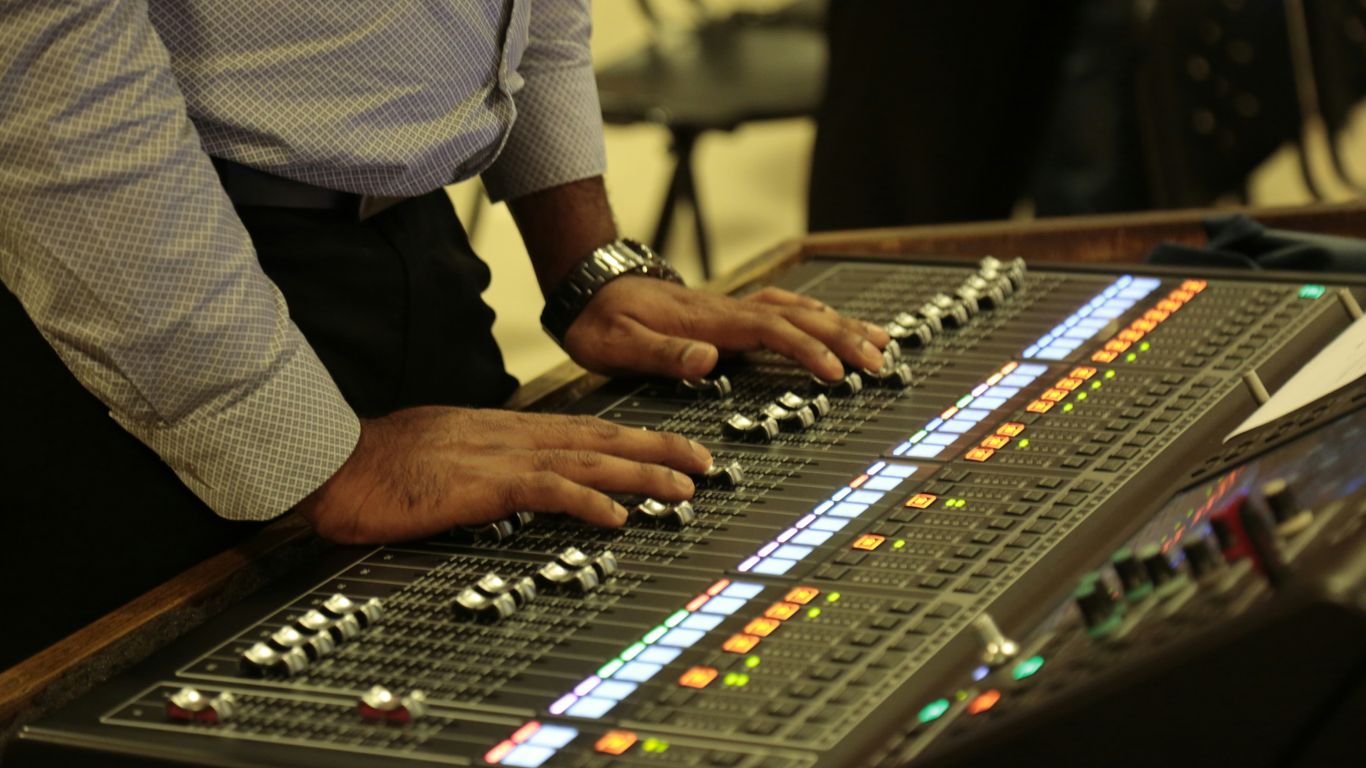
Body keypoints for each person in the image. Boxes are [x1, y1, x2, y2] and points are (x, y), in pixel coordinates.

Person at [0, 1, 888, 668]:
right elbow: (44, 69)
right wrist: (314, 452)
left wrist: (586, 258)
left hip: (412, 242)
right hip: (138, 300)